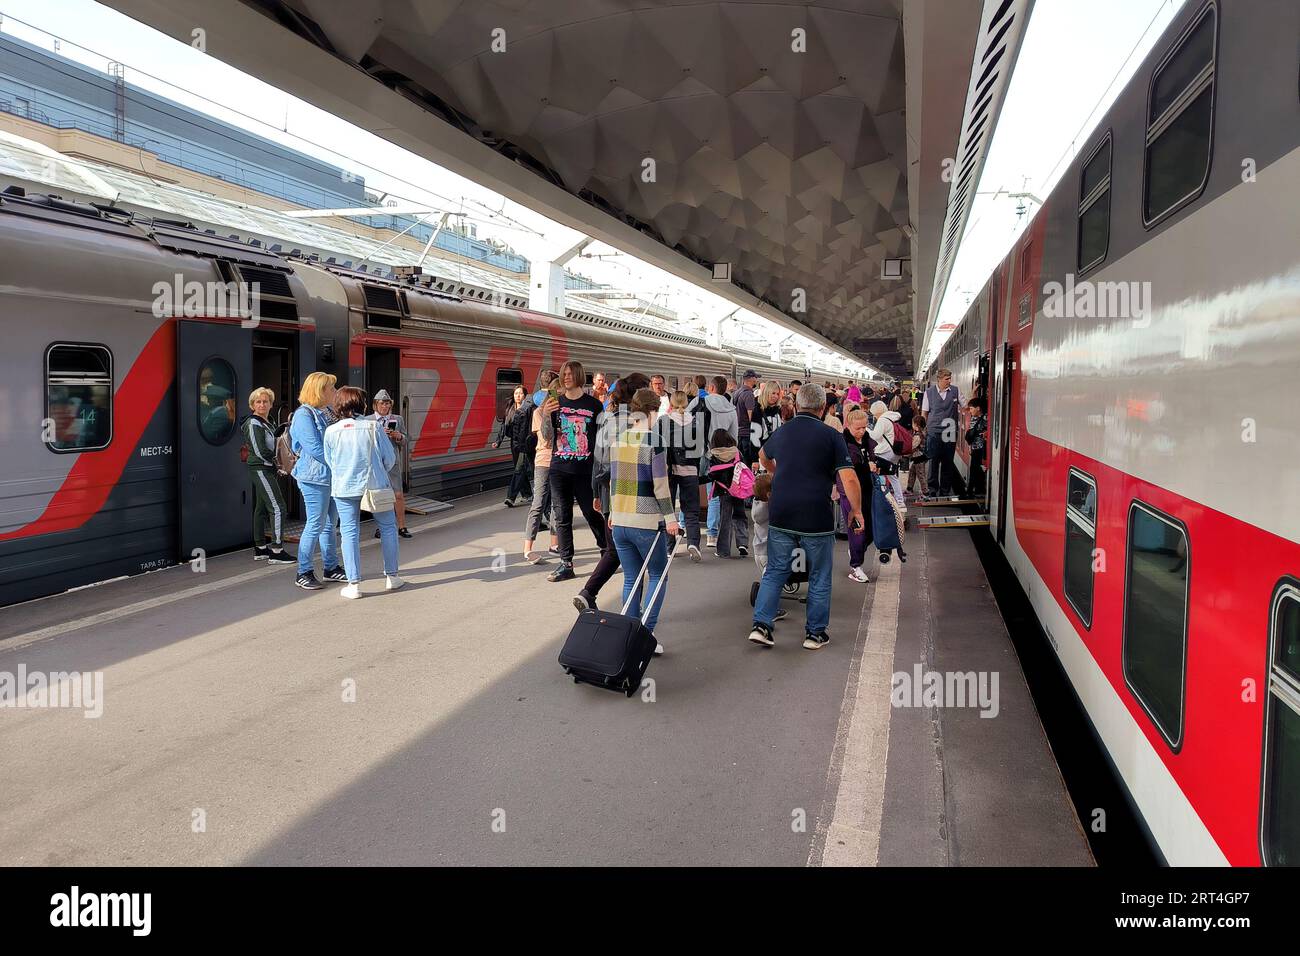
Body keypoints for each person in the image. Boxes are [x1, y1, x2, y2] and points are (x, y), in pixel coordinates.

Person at [748, 383, 863, 650]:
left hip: (782, 512)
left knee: (775, 570)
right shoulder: (831, 436)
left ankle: (762, 626)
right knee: (820, 575)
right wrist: (856, 512)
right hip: (815, 514)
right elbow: (849, 478)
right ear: (822, 408)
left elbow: (762, 456)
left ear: (798, 405)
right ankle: (814, 634)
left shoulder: (783, 431)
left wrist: (778, 472)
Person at [606, 388, 681, 654]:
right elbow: (661, 487)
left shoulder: (618, 441)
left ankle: (627, 635)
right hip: (646, 523)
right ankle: (644, 637)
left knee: (631, 580)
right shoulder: (654, 441)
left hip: (621, 523)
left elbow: (614, 484)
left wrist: (614, 513)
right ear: (652, 412)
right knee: (658, 576)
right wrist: (671, 519)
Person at [323, 386, 403, 599]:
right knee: (387, 527)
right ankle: (392, 577)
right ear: (362, 404)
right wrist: (378, 472)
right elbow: (389, 458)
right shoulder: (373, 427)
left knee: (349, 532)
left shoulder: (331, 431)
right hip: (375, 486)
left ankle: (354, 584)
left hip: (344, 487)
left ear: (339, 405)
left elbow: (330, 461)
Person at [577, 373, 650, 609]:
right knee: (634, 556)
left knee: (615, 550)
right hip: (630, 495)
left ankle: (588, 593)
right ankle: (632, 613)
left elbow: (598, 460)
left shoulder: (607, 419)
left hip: (608, 493)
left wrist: (597, 492)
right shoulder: (637, 422)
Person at [541, 361, 607, 583]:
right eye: (564, 374)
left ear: (578, 376)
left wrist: (601, 469)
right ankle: (566, 563)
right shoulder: (555, 403)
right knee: (562, 517)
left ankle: (606, 551)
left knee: (592, 513)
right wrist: (545, 415)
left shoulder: (594, 405)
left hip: (586, 469)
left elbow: (601, 439)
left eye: (570, 373)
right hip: (559, 467)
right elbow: (547, 436)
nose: (566, 377)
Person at [290, 371, 345, 590]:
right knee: (316, 524)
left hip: (331, 476)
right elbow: (313, 448)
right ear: (319, 391)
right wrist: (340, 463)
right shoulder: (304, 415)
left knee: (330, 525)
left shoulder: (329, 412)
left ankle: (331, 567)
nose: (334, 391)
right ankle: (303, 571)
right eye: (331, 388)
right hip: (314, 477)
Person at [241, 387, 294, 564]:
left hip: (266, 468)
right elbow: (259, 450)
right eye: (258, 401)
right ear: (252, 405)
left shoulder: (267, 422)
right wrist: (278, 463)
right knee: (278, 507)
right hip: (261, 468)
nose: (262, 404)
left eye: (265, 401)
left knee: (261, 508)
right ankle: (277, 551)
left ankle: (260, 548)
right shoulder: (253, 423)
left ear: (271, 404)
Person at [688, 375, 738, 547]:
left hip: (697, 451)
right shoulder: (731, 409)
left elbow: (685, 423)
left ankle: (683, 524)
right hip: (719, 456)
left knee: (690, 486)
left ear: (711, 387)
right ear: (725, 389)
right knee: (714, 493)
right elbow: (734, 437)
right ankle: (711, 533)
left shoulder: (698, 402)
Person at [659, 389, 703, 561]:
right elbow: (699, 450)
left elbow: (659, 448)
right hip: (690, 471)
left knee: (668, 510)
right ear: (686, 403)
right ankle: (693, 543)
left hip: (669, 471)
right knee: (691, 511)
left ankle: (669, 547)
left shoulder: (664, 421)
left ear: (671, 403)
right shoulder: (695, 422)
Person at [524, 370, 561, 563]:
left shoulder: (561, 415)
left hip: (559, 460)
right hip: (544, 461)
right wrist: (549, 415)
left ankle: (554, 544)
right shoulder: (539, 413)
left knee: (557, 504)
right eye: (556, 393)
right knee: (538, 503)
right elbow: (546, 437)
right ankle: (528, 547)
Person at [836, 408, 875, 582]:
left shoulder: (867, 440)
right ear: (848, 426)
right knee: (857, 529)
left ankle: (856, 551)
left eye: (864, 428)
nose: (862, 431)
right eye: (858, 428)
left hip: (867, 490)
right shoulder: (842, 444)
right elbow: (850, 470)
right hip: (849, 493)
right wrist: (868, 467)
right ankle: (856, 566)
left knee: (871, 530)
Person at [367, 389, 412, 537]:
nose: (385, 407)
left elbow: (406, 440)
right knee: (381, 496)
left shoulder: (397, 419)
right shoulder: (368, 421)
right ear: (375, 405)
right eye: (382, 403)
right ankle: (382, 527)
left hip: (393, 463)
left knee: (398, 495)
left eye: (388, 404)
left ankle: (402, 526)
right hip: (376, 464)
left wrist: (398, 436)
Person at [704, 429, 750, 558]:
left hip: (724, 490)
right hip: (738, 489)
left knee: (725, 519)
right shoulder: (737, 452)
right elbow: (744, 467)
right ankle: (742, 543)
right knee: (740, 515)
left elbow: (712, 474)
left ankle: (723, 550)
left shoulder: (713, 455)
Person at [493, 384, 534, 507]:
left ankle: (510, 497)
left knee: (519, 469)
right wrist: (498, 441)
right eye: (516, 393)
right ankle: (527, 494)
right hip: (514, 443)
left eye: (520, 393)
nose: (518, 396)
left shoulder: (529, 409)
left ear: (525, 395)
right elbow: (504, 426)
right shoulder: (510, 408)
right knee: (520, 468)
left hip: (525, 443)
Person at [922, 368, 961, 497]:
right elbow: (925, 412)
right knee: (933, 461)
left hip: (950, 431)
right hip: (934, 431)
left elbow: (965, 405)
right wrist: (923, 430)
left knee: (948, 462)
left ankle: (945, 490)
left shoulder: (955, 391)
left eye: (950, 379)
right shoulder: (929, 393)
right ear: (939, 379)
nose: (949, 381)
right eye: (946, 379)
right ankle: (932, 489)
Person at [868, 399, 907, 511]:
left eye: (874, 414)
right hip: (895, 452)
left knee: (879, 474)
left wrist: (867, 429)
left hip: (885, 452)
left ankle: (884, 499)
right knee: (892, 476)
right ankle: (899, 500)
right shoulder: (892, 417)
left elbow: (875, 436)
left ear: (878, 412)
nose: (874, 417)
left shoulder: (883, 420)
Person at [733, 369, 759, 465]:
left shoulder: (737, 392)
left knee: (740, 461)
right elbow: (750, 416)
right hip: (747, 434)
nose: (756, 380)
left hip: (738, 432)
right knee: (747, 462)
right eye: (756, 378)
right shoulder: (749, 394)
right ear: (751, 379)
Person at [966, 397, 988, 498]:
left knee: (977, 470)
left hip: (981, 449)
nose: (970, 411)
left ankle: (976, 490)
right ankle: (971, 490)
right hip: (975, 447)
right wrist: (970, 446)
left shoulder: (986, 418)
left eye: (971, 408)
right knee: (973, 469)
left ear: (978, 408)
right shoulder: (974, 418)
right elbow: (971, 433)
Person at [906, 414, 930, 497]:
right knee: (912, 473)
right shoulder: (922, 432)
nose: (912, 425)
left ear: (916, 425)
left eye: (913, 424)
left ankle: (925, 492)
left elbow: (912, 446)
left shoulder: (918, 436)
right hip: (917, 457)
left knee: (921, 475)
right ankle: (909, 489)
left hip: (918, 458)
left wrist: (905, 452)